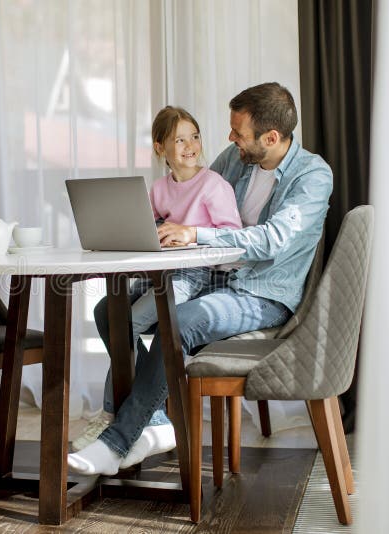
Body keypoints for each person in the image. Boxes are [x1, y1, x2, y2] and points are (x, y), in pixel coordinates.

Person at [68, 82, 333, 476]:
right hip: (211, 277)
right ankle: (155, 422)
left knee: (182, 321)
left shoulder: (312, 176)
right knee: (110, 309)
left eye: (239, 132)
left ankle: (120, 438)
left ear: (271, 137)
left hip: (263, 293)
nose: (229, 139)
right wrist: (151, 225)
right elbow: (193, 192)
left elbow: (273, 240)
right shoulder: (237, 158)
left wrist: (195, 234)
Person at [70, 105, 241, 453]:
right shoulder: (160, 188)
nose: (190, 145)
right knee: (106, 311)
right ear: (160, 147)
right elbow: (143, 225)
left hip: (197, 276)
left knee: (129, 323)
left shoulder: (213, 185)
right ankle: (152, 413)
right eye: (179, 139)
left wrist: (191, 234)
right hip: (160, 272)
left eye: (194, 136)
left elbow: (233, 236)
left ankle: (111, 415)